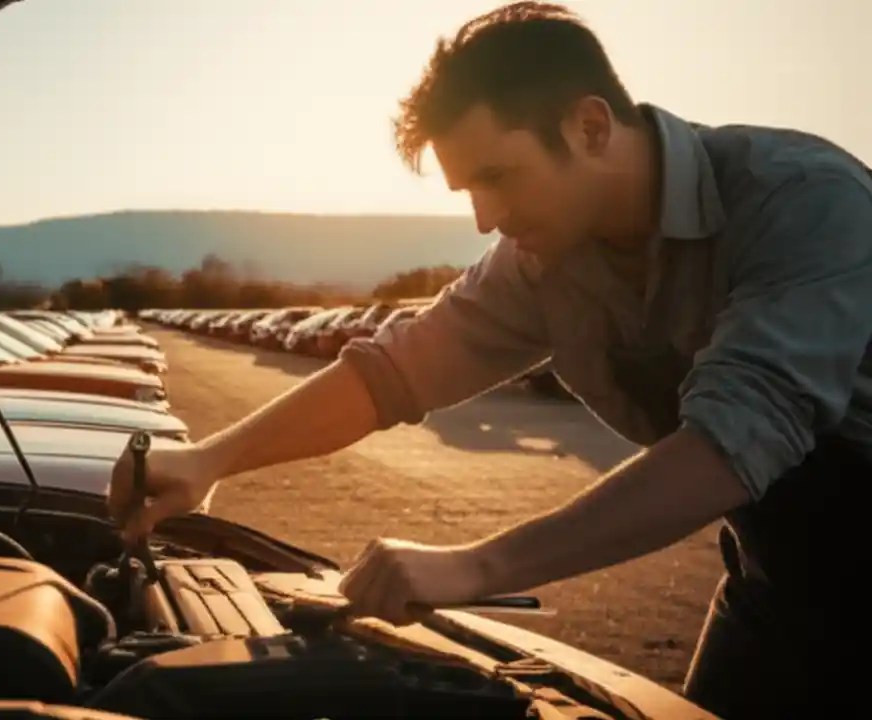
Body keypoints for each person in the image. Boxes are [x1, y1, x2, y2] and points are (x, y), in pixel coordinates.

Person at [108, 2, 871, 717]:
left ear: (591, 128)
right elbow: (393, 373)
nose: (484, 219)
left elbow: (728, 446)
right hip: (778, 582)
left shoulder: (802, 200)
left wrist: (475, 567)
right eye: (469, 189)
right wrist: (211, 458)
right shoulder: (543, 257)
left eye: (497, 176)